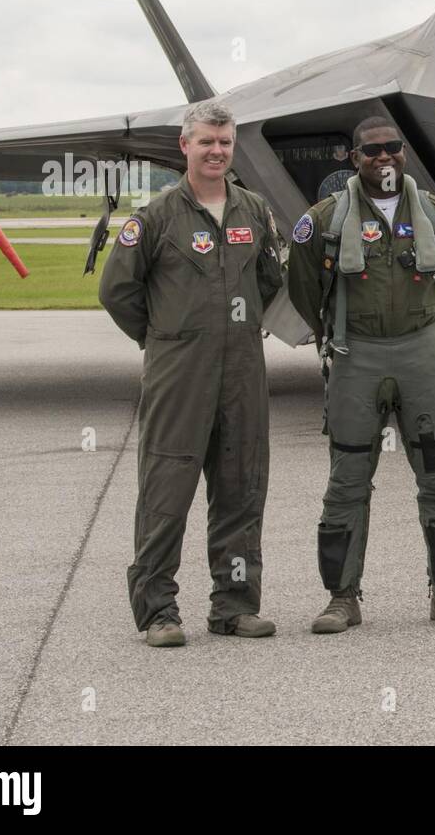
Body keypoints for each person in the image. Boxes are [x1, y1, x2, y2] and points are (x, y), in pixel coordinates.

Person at [99, 101, 284, 647]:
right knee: (166, 491)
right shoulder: (155, 218)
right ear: (185, 145)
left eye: (225, 142)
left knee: (241, 489)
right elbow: (117, 291)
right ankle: (159, 611)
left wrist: (236, 329)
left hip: (243, 373)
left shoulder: (253, 212)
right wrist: (164, 339)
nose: (216, 151)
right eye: (206, 141)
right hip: (179, 377)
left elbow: (270, 281)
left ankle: (234, 607)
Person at [286, 116, 435, 631]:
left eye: (392, 147)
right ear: (355, 158)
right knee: (346, 479)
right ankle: (342, 597)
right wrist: (335, 330)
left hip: (421, 351)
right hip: (356, 353)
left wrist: (432, 332)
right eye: (372, 151)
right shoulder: (325, 219)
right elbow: (303, 286)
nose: (383, 157)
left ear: (403, 153)